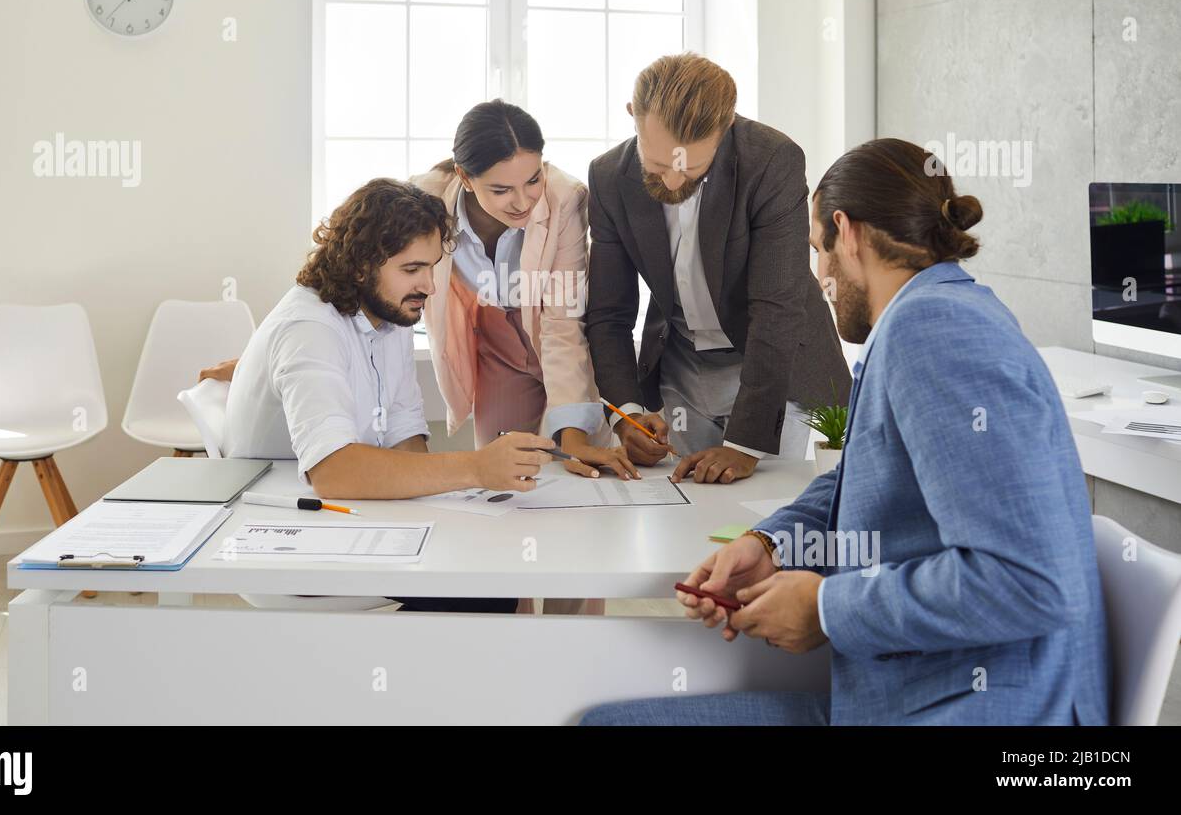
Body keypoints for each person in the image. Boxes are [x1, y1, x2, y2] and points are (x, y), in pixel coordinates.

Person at [581, 138, 1110, 724]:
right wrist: (772, 543)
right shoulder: (932, 315)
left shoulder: (937, 334)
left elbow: (1030, 581)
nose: (820, 275)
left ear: (847, 232)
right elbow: (860, 476)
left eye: (818, 250)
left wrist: (828, 610)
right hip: (908, 694)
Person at [222, 178, 560, 613]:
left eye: (432, 267)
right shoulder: (310, 328)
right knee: (480, 590)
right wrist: (476, 467)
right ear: (362, 265)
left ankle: (410, 673)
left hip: (340, 512)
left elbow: (404, 436)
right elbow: (335, 472)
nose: (430, 287)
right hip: (281, 532)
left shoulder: (389, 315)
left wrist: (462, 492)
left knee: (486, 567)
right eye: (411, 269)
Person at [584, 53, 851, 486]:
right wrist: (626, 414)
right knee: (693, 507)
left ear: (724, 128)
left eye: (690, 169)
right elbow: (609, 312)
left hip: (776, 364)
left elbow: (777, 308)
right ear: (634, 116)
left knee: (772, 509)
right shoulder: (608, 176)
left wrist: (745, 445)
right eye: (656, 167)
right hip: (681, 366)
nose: (671, 183)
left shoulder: (771, 160)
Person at [412, 100, 635, 616]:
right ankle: (508, 646)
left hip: (562, 350)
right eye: (501, 189)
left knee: (575, 506)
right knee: (502, 505)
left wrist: (574, 431)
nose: (522, 201)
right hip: (498, 357)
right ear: (465, 178)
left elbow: (562, 323)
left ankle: (571, 651)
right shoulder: (423, 199)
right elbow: (358, 283)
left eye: (531, 180)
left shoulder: (566, 200)